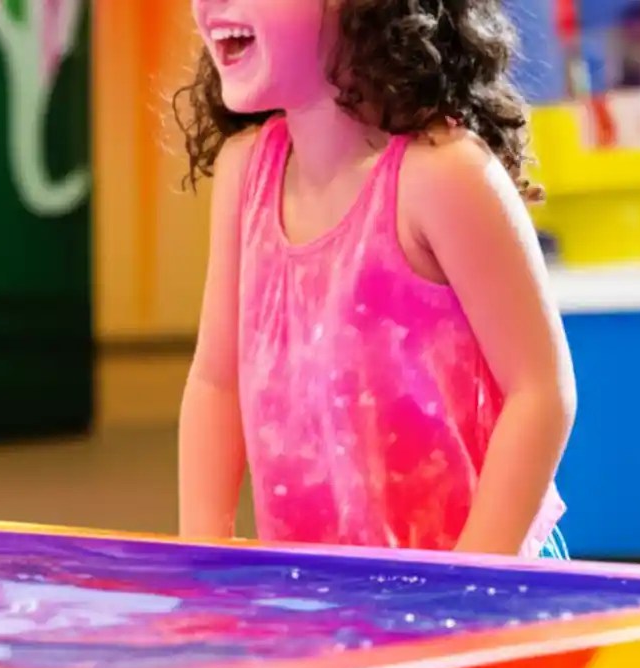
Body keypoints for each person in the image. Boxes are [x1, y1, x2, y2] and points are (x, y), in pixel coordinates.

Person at [174, 0, 576, 558]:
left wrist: (472, 581)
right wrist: (201, 559)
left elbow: (541, 392)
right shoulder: (247, 175)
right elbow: (216, 381)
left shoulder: (442, 175)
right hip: (332, 604)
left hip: (485, 588)